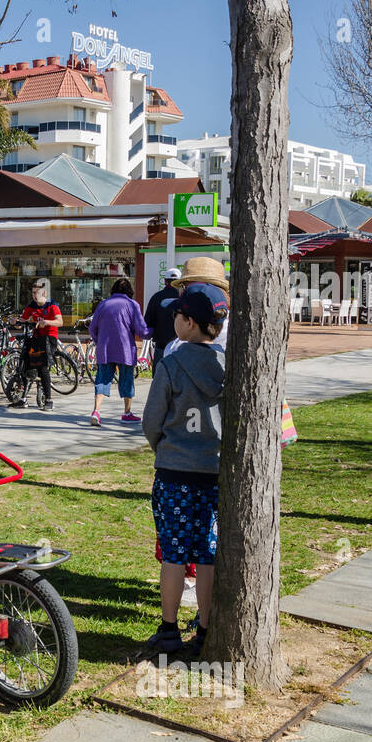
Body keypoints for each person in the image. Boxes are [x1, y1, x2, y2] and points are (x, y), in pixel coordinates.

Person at [141, 282, 228, 659]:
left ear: (189, 323)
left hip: (175, 472)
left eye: (177, 314)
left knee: (175, 554)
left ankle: (169, 627)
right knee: (207, 553)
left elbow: (151, 420)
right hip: (213, 473)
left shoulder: (171, 364)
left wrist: (164, 447)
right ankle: (207, 626)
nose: (173, 318)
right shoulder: (227, 365)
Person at [87, 277, 150, 425]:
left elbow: (92, 328)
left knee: (102, 379)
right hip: (125, 349)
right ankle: (127, 413)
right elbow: (141, 330)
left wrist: (98, 342)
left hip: (105, 349)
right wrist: (153, 331)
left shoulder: (103, 305)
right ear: (130, 291)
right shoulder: (132, 305)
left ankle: (96, 411)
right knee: (127, 380)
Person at [13, 277, 62, 410]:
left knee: (43, 368)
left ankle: (49, 399)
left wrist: (47, 322)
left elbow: (60, 322)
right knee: (26, 366)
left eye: (37, 293)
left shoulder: (52, 305)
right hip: (35, 338)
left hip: (49, 339)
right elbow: (22, 321)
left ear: (44, 293)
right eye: (33, 293)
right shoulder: (31, 306)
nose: (35, 296)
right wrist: (16, 322)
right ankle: (23, 399)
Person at [142, 267, 181, 375]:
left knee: (159, 379)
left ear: (165, 281)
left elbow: (148, 322)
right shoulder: (184, 297)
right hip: (180, 347)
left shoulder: (156, 297)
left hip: (161, 345)